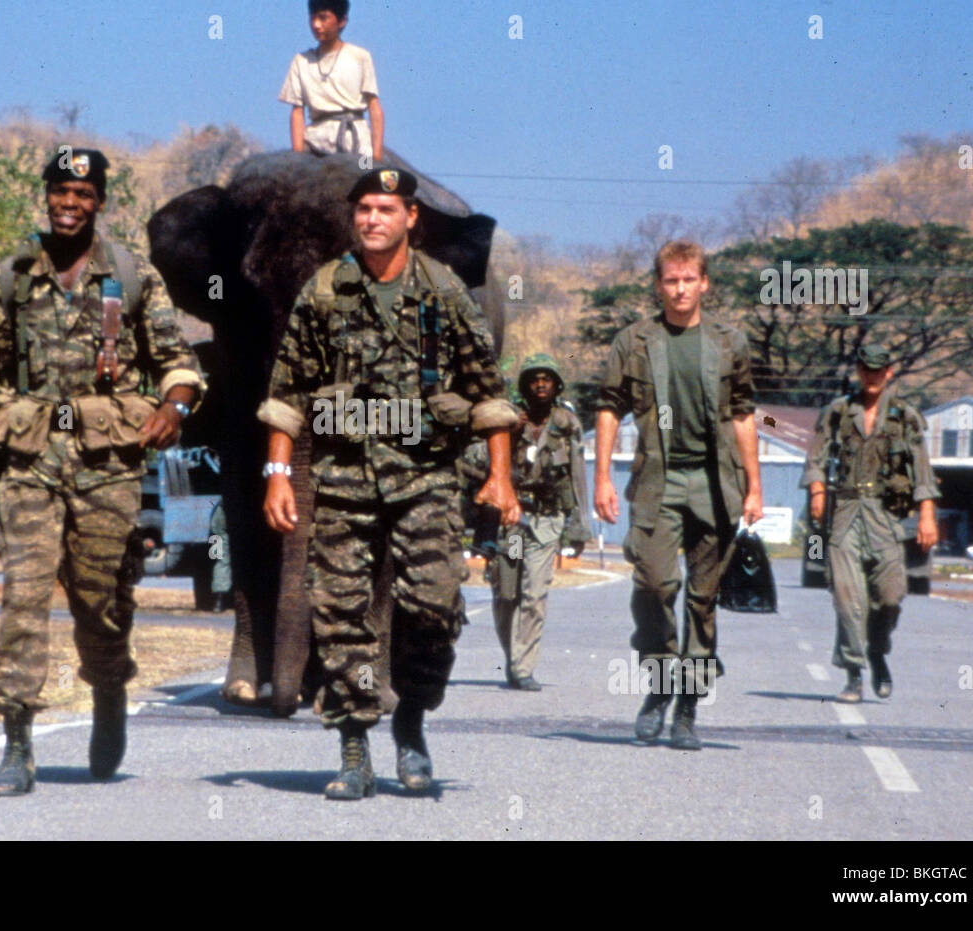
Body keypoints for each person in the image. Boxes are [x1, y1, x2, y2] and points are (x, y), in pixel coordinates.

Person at [258, 167, 519, 799]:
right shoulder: (324, 291)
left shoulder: (445, 291)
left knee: (434, 608)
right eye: (365, 209)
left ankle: (410, 717)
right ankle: (354, 747)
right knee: (341, 613)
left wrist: (501, 479)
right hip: (343, 478)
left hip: (427, 478)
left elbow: (487, 392)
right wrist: (277, 474)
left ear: (411, 218)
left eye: (386, 209)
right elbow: (287, 392)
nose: (373, 219)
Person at [0, 148, 205, 795]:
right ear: (44, 196)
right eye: (58, 191)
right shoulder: (13, 274)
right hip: (31, 461)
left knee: (101, 599)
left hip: (108, 462)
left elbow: (177, 358)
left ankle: (107, 687)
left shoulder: (130, 274)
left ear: (100, 200)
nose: (69, 203)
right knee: (24, 592)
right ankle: (17, 740)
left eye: (82, 192)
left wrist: (175, 405)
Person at [593, 240, 763, 751]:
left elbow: (744, 413)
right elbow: (608, 407)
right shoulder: (635, 340)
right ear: (658, 284)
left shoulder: (730, 341)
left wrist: (755, 485)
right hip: (657, 482)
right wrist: (601, 476)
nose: (681, 288)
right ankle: (661, 680)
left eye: (690, 279)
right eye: (671, 280)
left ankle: (687, 706)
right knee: (652, 585)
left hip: (716, 484)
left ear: (705, 283)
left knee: (702, 601)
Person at [801, 343, 939, 703]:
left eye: (879, 370)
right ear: (858, 371)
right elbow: (815, 458)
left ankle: (877, 650)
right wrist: (817, 493)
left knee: (891, 597)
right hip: (845, 513)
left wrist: (927, 515)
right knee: (848, 600)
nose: (872, 376)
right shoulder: (838, 411)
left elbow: (922, 470)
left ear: (889, 372)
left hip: (885, 517)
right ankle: (853, 674)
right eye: (866, 369)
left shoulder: (904, 416)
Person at [481, 353, 592, 690]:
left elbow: (577, 478)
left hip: (547, 519)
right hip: (512, 518)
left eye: (547, 378)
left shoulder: (567, 424)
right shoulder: (508, 421)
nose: (541, 383)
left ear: (556, 385)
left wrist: (578, 527)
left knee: (534, 593)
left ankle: (522, 666)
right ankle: (514, 659)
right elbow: (481, 461)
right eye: (534, 378)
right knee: (505, 593)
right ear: (525, 385)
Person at [279, 0, 384, 166]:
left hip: (357, 140)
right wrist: (297, 159)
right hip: (316, 141)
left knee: (372, 182)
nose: (316, 25)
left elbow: (374, 106)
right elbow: (297, 112)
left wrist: (376, 156)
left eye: (323, 18)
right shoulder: (301, 61)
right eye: (312, 18)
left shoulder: (360, 57)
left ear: (342, 21)